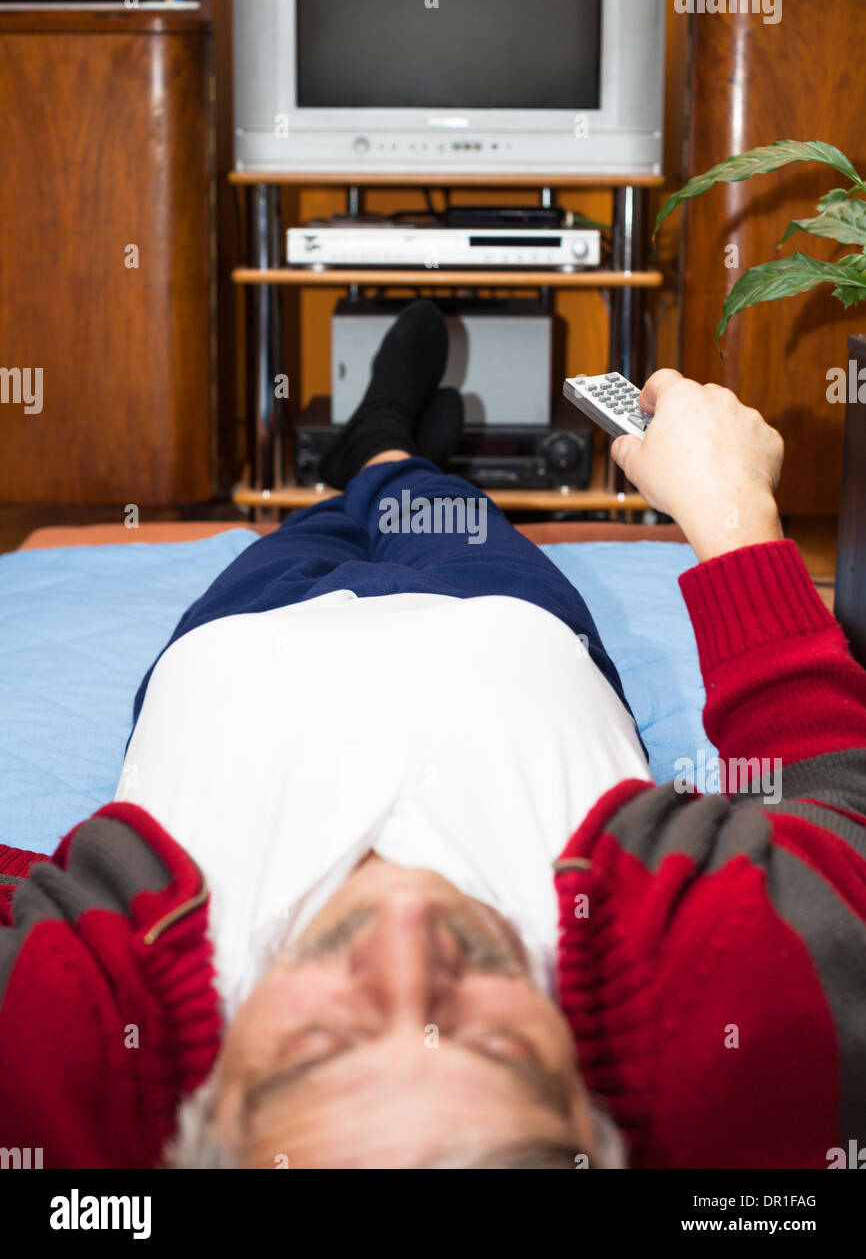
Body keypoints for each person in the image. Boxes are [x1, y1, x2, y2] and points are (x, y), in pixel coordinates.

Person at [1, 301, 864, 1170]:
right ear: (592, 1121)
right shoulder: (745, 1025)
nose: (411, 922)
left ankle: (372, 449)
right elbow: (838, 795)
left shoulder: (62, 1055)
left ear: (200, 1118)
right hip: (500, 618)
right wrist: (732, 505)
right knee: (438, 504)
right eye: (498, 1046)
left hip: (238, 634)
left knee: (315, 523)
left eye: (320, 1044)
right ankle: (394, 454)